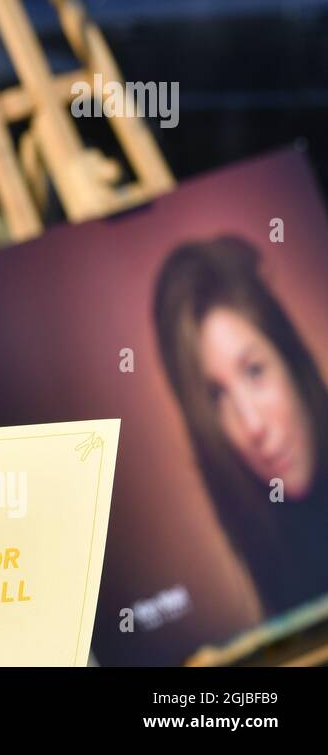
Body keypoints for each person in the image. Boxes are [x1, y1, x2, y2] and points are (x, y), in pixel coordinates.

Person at [153, 235, 328, 617]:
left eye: (254, 371)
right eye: (217, 396)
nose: (251, 425)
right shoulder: (273, 549)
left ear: (290, 358)